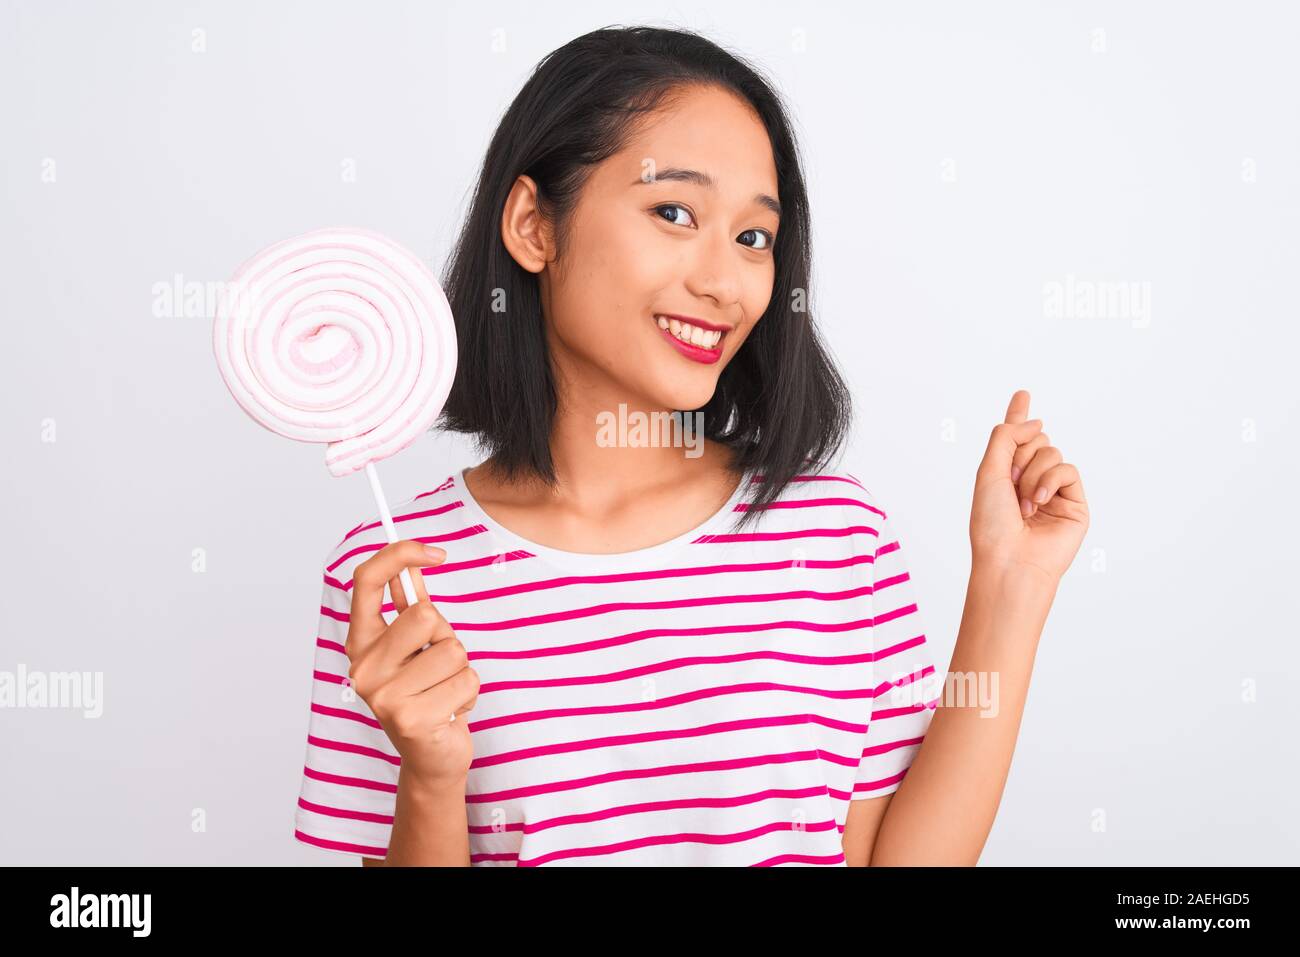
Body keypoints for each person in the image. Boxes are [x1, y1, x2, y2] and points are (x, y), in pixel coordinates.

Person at [292, 25, 1089, 867]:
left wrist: (1012, 585)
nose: (724, 282)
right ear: (533, 224)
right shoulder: (394, 575)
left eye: (754, 238)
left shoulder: (832, 537)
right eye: (674, 212)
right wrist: (430, 778)